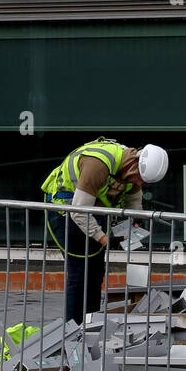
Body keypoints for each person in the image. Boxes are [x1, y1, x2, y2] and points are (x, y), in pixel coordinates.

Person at [40, 138, 169, 324]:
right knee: (79, 273)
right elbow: (79, 212)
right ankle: (73, 331)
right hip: (65, 211)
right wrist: (104, 239)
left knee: (95, 272)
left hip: (92, 211)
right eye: (138, 177)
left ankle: (91, 325)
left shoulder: (133, 170)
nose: (137, 182)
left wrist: (135, 221)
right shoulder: (98, 165)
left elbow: (133, 200)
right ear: (135, 163)